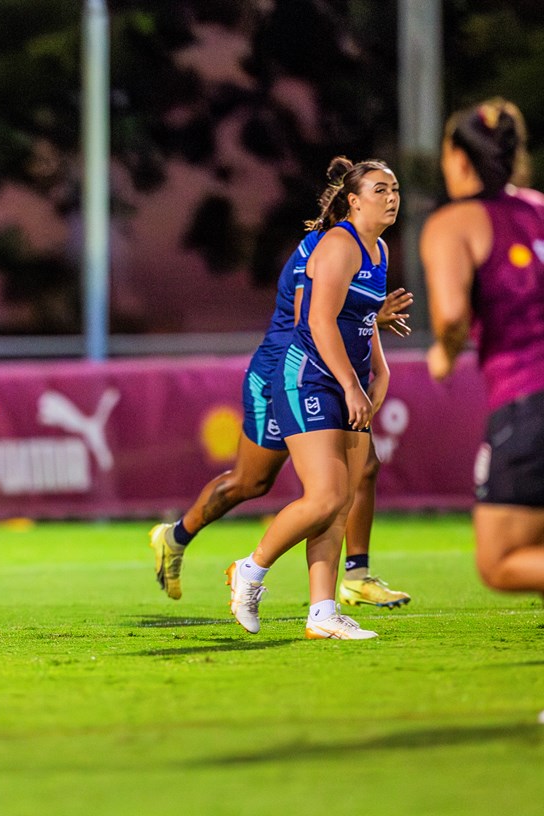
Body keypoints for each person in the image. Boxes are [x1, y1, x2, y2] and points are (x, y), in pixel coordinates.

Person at [148, 242, 414, 608]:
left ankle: (354, 577)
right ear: (349, 201)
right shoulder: (323, 248)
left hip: (325, 376)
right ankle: (177, 536)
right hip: (283, 375)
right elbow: (311, 320)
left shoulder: (367, 248)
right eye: (376, 192)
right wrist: (367, 317)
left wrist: (370, 328)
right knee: (252, 482)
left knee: (360, 470)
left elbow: (349, 313)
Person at [223, 157, 400, 640]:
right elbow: (319, 321)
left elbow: (360, 319)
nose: (391, 197)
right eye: (380, 189)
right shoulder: (340, 244)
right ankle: (251, 569)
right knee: (326, 495)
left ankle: (322, 613)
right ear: (353, 200)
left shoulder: (377, 250)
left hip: (342, 378)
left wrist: (377, 369)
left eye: (395, 189)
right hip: (308, 378)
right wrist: (350, 384)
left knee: (341, 500)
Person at [422, 98, 544, 603]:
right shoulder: (540, 207)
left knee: (500, 562)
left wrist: (445, 355)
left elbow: (451, 316)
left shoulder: (454, 224)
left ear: (459, 158)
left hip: (528, 398)